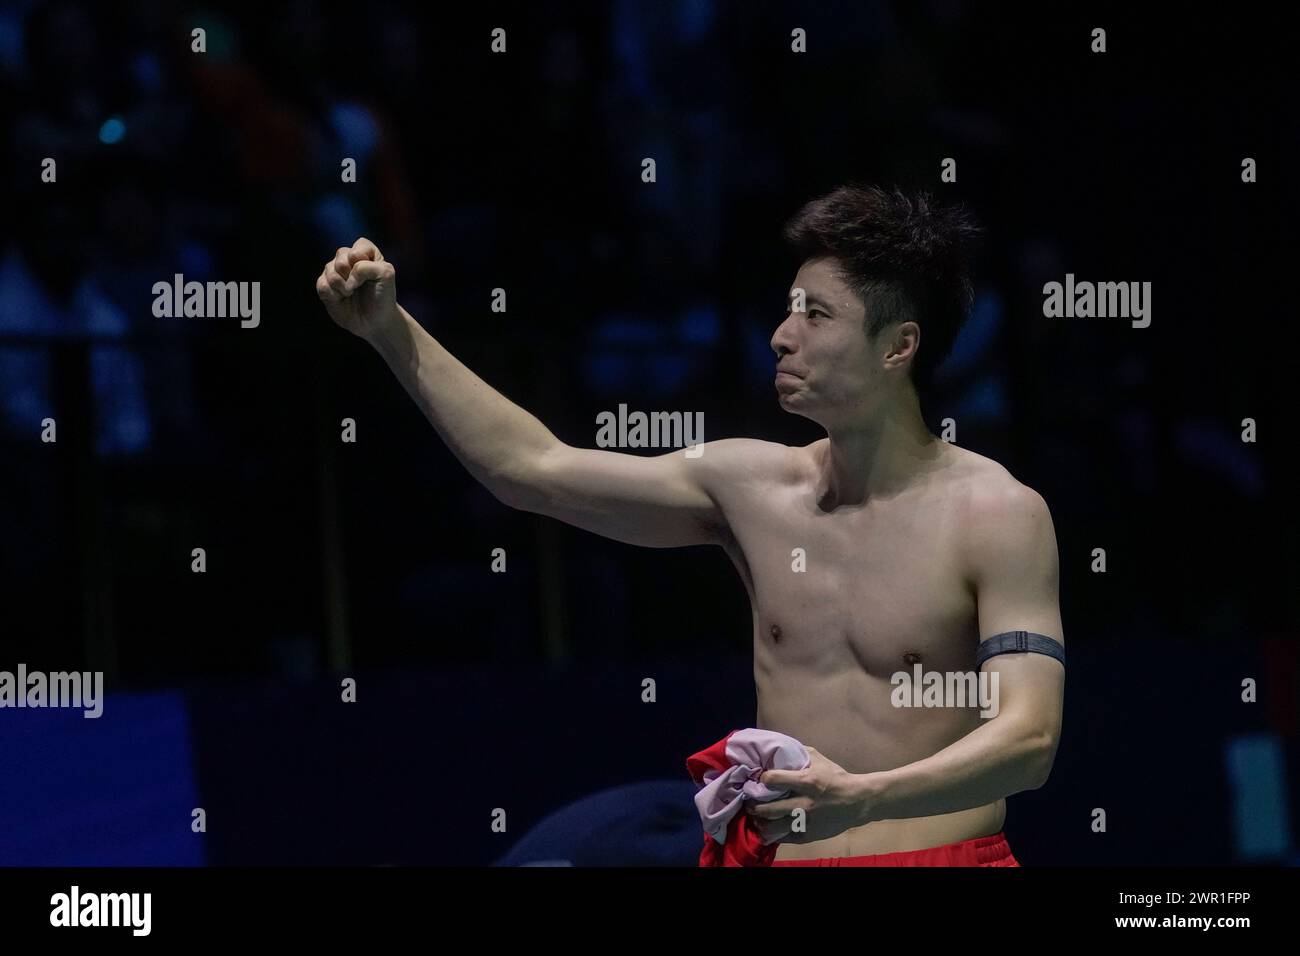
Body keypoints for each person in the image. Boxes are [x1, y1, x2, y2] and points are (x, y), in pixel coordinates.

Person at [314, 184, 1065, 866]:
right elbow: (531, 468)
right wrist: (389, 328)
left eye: (816, 315)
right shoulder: (749, 488)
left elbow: (1028, 743)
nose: (780, 335)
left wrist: (865, 797)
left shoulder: (997, 515)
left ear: (899, 346)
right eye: (787, 308)